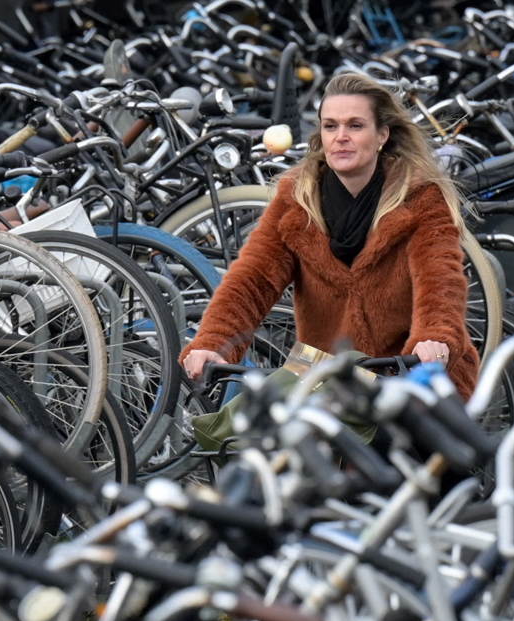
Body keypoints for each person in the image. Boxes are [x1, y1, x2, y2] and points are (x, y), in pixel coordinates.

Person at [179, 72, 480, 398]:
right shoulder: (297, 198)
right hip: (323, 372)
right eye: (330, 126)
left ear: (382, 135)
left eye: (355, 125)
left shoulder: (420, 196)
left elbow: (441, 278)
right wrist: (213, 342)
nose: (341, 137)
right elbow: (253, 280)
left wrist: (434, 336)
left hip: (406, 371)